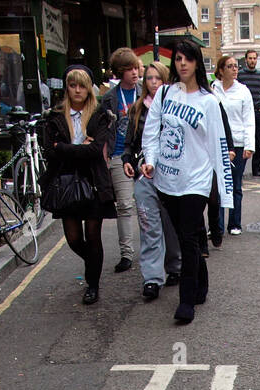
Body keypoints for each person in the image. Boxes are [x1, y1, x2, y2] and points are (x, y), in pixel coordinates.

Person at [140, 40, 233, 323]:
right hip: (166, 179)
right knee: (185, 236)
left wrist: (224, 191)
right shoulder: (165, 94)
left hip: (196, 180)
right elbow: (151, 131)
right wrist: (150, 160)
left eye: (188, 59)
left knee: (190, 236)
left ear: (196, 64)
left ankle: (186, 300)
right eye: (178, 59)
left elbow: (218, 145)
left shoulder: (208, 101)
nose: (182, 64)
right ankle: (201, 284)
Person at [41, 65, 116, 305]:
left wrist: (63, 148)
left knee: (93, 235)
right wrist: (77, 148)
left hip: (93, 181)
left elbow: (95, 150)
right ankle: (92, 262)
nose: (77, 90)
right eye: (72, 85)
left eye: (82, 85)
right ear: (67, 87)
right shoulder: (55, 116)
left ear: (89, 89)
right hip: (65, 182)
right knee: (73, 238)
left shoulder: (100, 114)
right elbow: (49, 152)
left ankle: (92, 284)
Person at [122, 61, 181, 301]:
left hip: (172, 176)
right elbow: (130, 141)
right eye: (149, 78)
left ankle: (175, 266)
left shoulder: (176, 106)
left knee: (171, 225)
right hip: (144, 175)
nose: (153, 82)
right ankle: (152, 279)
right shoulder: (137, 108)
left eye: (158, 78)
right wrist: (127, 158)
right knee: (149, 227)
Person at [99, 47, 142, 274]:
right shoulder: (110, 98)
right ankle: (126, 254)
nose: (134, 73)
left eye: (136, 68)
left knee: (147, 207)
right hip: (117, 155)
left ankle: (151, 250)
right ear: (119, 72)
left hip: (142, 154)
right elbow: (105, 131)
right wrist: (106, 159)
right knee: (125, 205)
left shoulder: (145, 91)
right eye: (129, 69)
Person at [213, 55, 255, 235]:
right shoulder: (213, 89)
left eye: (236, 66)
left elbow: (249, 119)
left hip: (238, 142)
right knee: (219, 185)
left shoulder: (243, 91)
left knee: (235, 185)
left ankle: (235, 223)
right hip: (218, 141)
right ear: (221, 70)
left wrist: (249, 145)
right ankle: (217, 226)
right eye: (230, 66)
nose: (234, 69)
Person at [237, 49, 260, 176]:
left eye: (254, 58)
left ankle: (256, 168)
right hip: (243, 112)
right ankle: (241, 168)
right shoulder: (240, 75)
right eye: (250, 58)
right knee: (243, 139)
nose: (252, 61)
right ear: (246, 60)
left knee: (257, 140)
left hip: (257, 111)